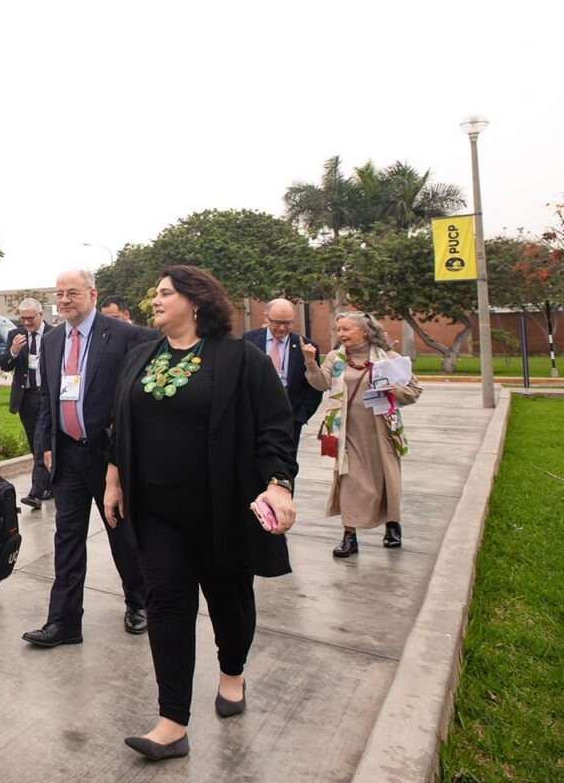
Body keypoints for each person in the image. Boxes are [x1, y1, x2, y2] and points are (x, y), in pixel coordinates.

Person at [104, 265, 298, 760]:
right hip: (156, 511)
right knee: (167, 607)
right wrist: (113, 478)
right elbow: (120, 424)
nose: (156, 301)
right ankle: (172, 724)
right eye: (156, 294)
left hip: (221, 508)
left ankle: (232, 672)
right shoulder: (141, 356)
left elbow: (275, 427)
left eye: (166, 294)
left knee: (229, 604)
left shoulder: (239, 359)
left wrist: (278, 484)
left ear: (196, 302)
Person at [23, 269, 151, 649]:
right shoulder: (50, 340)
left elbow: (137, 397)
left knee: (120, 532)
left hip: (108, 456)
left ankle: (138, 603)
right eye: (60, 294)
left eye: (73, 293)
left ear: (93, 294)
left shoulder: (123, 335)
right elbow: (48, 397)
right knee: (67, 538)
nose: (64, 300)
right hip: (67, 455)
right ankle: (64, 622)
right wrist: (45, 443)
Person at [303, 311, 421, 556]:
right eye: (339, 330)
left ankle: (392, 525)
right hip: (346, 430)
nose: (341, 334)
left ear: (365, 331)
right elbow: (321, 384)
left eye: (347, 329)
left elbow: (414, 390)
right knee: (348, 481)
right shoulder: (335, 358)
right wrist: (310, 362)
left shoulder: (388, 358)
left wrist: (395, 390)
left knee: (386, 479)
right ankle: (349, 536)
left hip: (382, 430)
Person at [243, 299, 323, 446]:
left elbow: (315, 386)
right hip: (254, 416)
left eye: (287, 323)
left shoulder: (306, 347)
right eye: (276, 322)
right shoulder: (247, 341)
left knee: (286, 463)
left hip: (290, 418)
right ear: (266, 317)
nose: (281, 328)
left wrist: (301, 415)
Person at [0, 298, 52, 509]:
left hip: (47, 397)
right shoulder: (16, 335)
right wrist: (13, 350)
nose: (27, 323)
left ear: (40, 315)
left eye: (31, 318)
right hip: (26, 397)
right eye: (23, 319)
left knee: (41, 444)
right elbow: (4, 365)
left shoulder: (54, 333)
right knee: (35, 444)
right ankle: (49, 484)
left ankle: (36, 492)